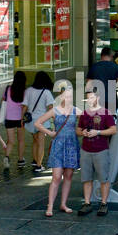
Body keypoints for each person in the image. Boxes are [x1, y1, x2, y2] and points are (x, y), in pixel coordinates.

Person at [35, 79, 79, 217]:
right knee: (56, 177)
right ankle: (50, 206)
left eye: (70, 96)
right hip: (58, 145)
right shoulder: (55, 110)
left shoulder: (76, 110)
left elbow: (88, 120)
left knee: (69, 175)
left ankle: (63, 204)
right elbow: (38, 123)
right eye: (66, 96)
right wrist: (50, 133)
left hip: (71, 145)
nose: (68, 99)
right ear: (61, 97)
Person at [76, 87, 117, 216]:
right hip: (86, 150)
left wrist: (98, 132)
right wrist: (82, 132)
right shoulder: (84, 113)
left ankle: (104, 203)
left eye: (92, 97)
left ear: (98, 98)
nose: (89, 100)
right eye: (88, 98)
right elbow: (78, 130)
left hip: (101, 150)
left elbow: (113, 130)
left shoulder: (105, 113)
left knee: (103, 178)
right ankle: (87, 203)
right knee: (86, 178)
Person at [24, 71, 55, 173]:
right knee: (41, 143)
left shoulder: (28, 90)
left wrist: (21, 119)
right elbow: (51, 108)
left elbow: (25, 106)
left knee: (35, 141)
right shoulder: (46, 92)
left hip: (30, 121)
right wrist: (55, 120)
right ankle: (38, 165)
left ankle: (34, 160)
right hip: (42, 121)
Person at [1, 71, 29, 170]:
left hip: (9, 118)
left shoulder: (8, 89)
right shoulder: (25, 91)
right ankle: (21, 160)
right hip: (20, 119)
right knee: (21, 140)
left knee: (10, 141)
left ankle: (7, 157)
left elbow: (3, 100)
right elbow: (25, 105)